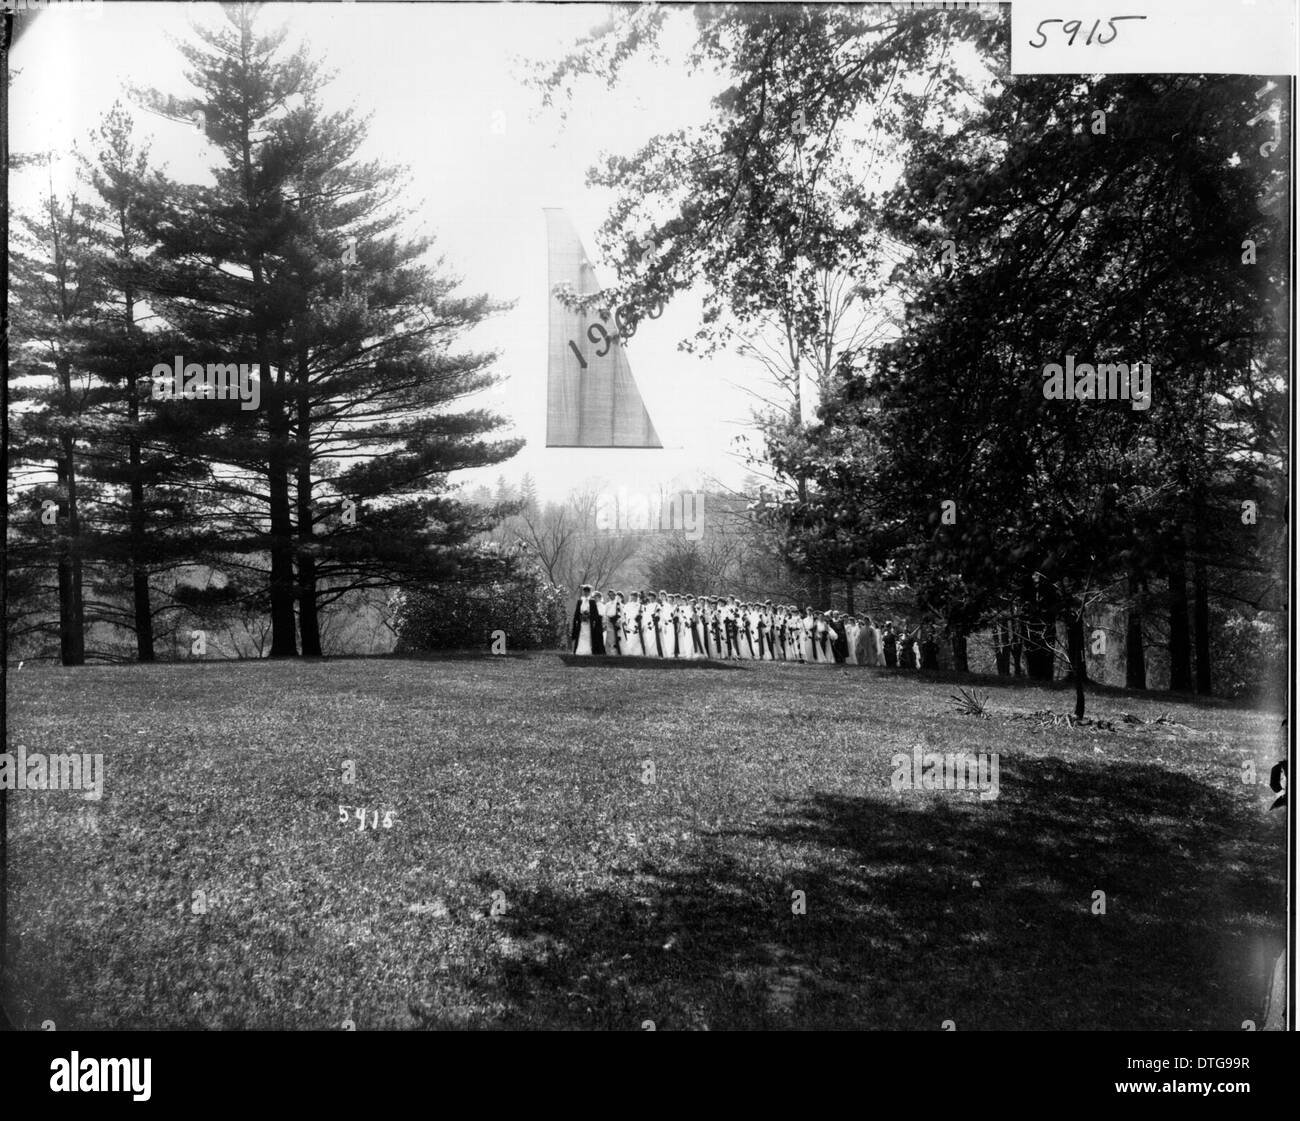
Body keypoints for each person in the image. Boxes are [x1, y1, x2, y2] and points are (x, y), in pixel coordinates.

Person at [571, 585, 604, 655]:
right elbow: (577, 612)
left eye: (587, 592)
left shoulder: (592, 602)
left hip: (589, 623)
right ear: (583, 592)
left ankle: (589, 650)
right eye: (585, 591)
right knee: (581, 635)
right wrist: (578, 618)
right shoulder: (580, 601)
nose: (586, 593)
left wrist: (589, 616)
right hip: (581, 622)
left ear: (589, 592)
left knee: (588, 635)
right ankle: (579, 650)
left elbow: (595, 613)